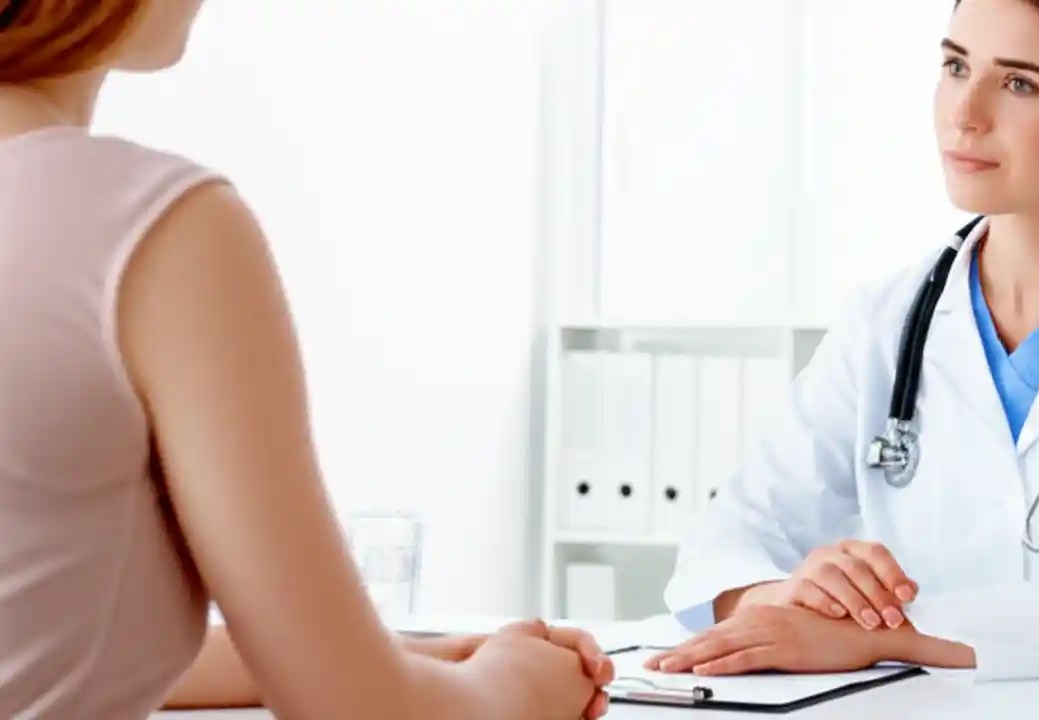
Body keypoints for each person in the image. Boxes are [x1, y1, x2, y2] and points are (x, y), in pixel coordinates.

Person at [0, 2, 612, 718]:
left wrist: (400, 657)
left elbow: (37, 636)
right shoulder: (146, 226)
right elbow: (357, 711)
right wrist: (520, 687)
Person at [651, 0, 1039, 681]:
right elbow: (731, 536)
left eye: (1019, 84)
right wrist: (786, 599)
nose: (964, 113)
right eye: (955, 66)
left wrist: (890, 637)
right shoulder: (887, 321)